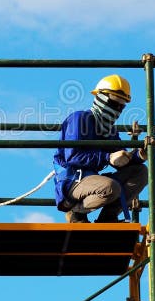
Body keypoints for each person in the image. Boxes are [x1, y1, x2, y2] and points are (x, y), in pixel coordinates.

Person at [53, 74, 148, 223]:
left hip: (93, 181)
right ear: (101, 98)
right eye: (114, 103)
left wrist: (139, 155)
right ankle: (76, 212)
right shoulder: (79, 119)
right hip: (72, 181)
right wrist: (107, 157)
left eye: (121, 106)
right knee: (111, 187)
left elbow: (122, 160)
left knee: (141, 172)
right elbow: (72, 157)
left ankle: (108, 217)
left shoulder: (109, 130)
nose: (117, 109)